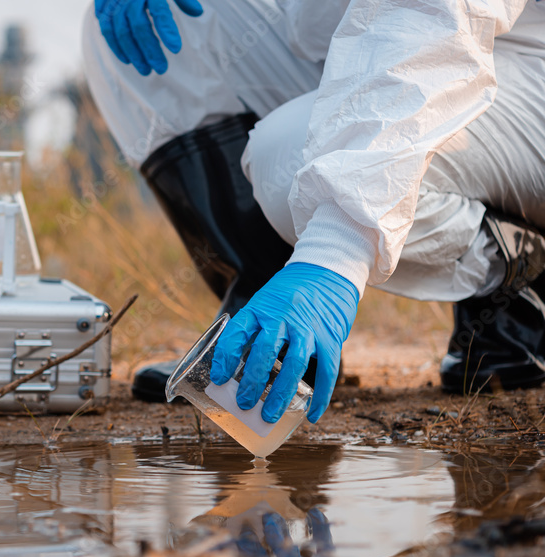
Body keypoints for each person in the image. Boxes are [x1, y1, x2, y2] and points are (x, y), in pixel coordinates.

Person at [85, 0, 545, 422]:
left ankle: (517, 263)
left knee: (288, 164)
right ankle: (270, 335)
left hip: (507, 57)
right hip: (363, 38)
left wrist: (334, 250)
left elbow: (428, 18)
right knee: (147, 16)